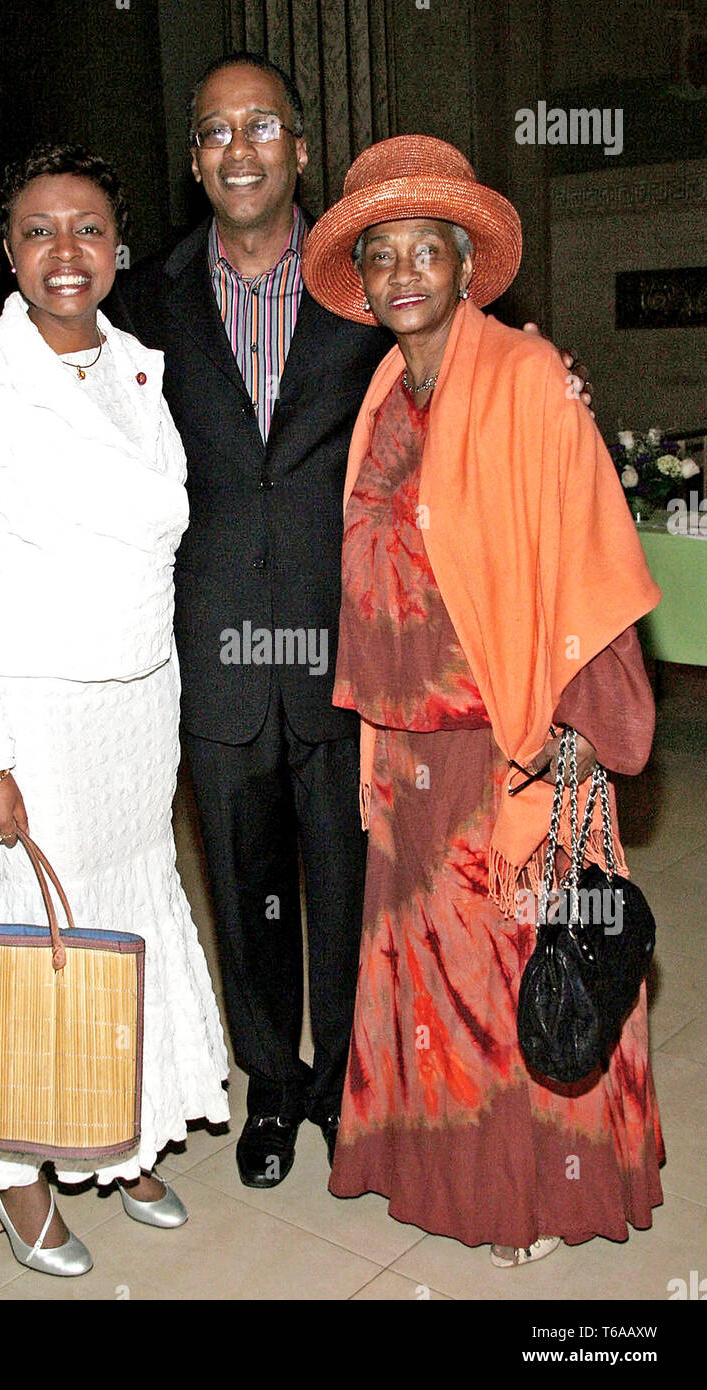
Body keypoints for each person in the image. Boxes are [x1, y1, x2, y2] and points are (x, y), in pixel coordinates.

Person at [107, 52, 593, 1189]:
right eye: (216, 130)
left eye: (261, 126)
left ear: (298, 148)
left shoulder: (362, 290)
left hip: (352, 655)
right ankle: (272, 1087)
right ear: (193, 160)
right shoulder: (147, 300)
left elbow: (458, 366)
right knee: (245, 890)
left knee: (346, 886)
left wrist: (543, 380)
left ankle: (342, 1086)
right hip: (215, 653)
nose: (239, 148)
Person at [301, 134, 664, 1263]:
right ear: (362, 280)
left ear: (465, 265)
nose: (402, 270)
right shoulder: (378, 392)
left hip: (500, 739)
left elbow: (584, 550)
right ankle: (444, 1173)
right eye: (381, 254)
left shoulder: (523, 376)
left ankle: (531, 1192)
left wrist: (572, 732)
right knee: (430, 973)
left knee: (514, 964)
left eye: (426, 249)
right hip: (402, 746)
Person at [0, 144, 228, 1275]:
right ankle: (17, 1178)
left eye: (88, 228)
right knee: (38, 932)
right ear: (7, 252)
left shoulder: (140, 368)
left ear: (119, 248)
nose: (66, 251)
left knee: (127, 919)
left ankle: (120, 1135)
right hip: (41, 711)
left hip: (141, 700)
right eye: (40, 229)